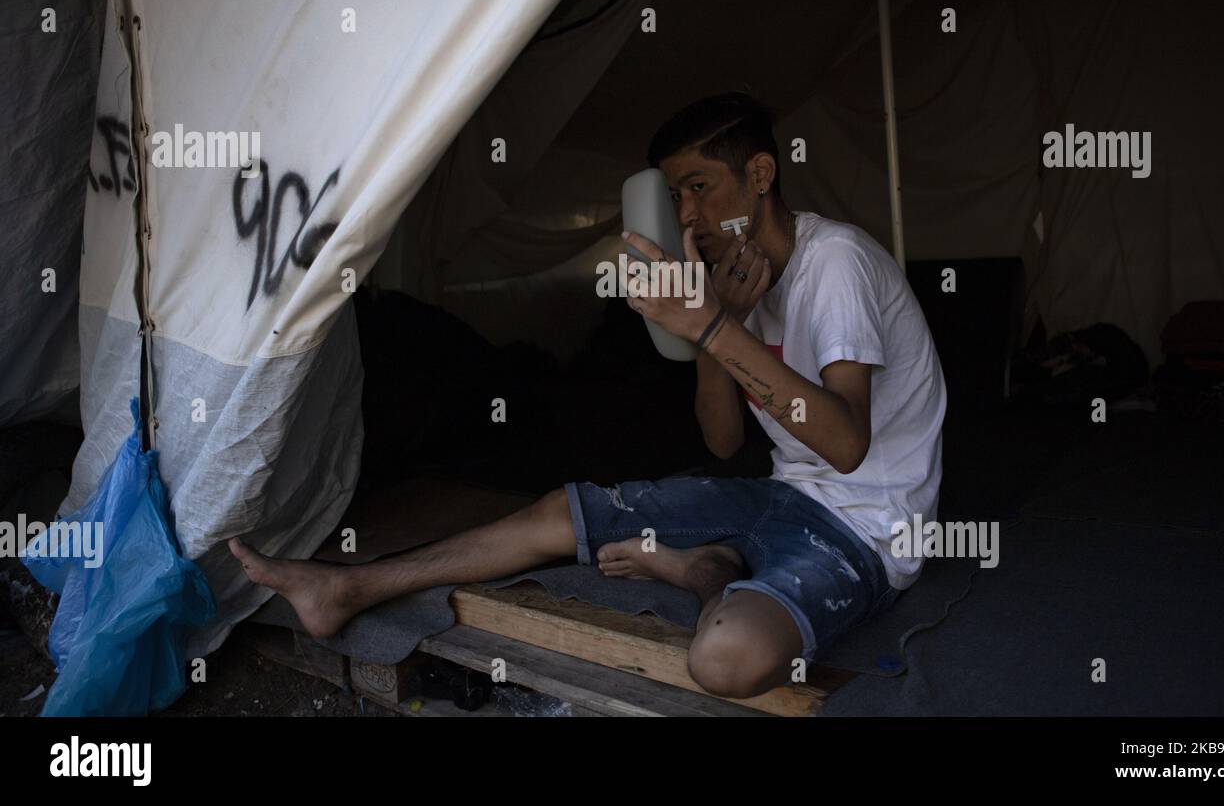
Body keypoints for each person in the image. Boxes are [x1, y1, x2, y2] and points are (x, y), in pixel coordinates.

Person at [229, 92, 946, 699]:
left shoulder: (835, 265)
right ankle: (345, 590)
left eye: (701, 186)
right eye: (675, 194)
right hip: (784, 493)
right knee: (556, 512)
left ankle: (706, 571)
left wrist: (714, 326)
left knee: (725, 658)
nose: (686, 212)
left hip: (868, 530)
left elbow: (846, 446)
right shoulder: (735, 277)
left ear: (760, 173)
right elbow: (724, 443)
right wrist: (709, 337)